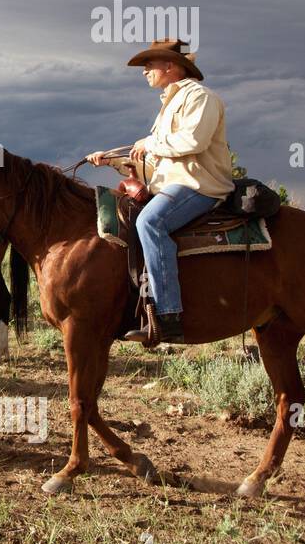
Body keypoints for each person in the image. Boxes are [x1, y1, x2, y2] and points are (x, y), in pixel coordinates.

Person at [85, 39, 233, 344]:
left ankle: (168, 316)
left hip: (200, 186)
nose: (144, 72)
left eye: (149, 65)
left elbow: (193, 142)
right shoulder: (167, 107)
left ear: (171, 66)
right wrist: (113, 161)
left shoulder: (201, 97)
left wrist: (148, 143)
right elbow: (154, 166)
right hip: (172, 185)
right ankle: (134, 305)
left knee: (150, 222)